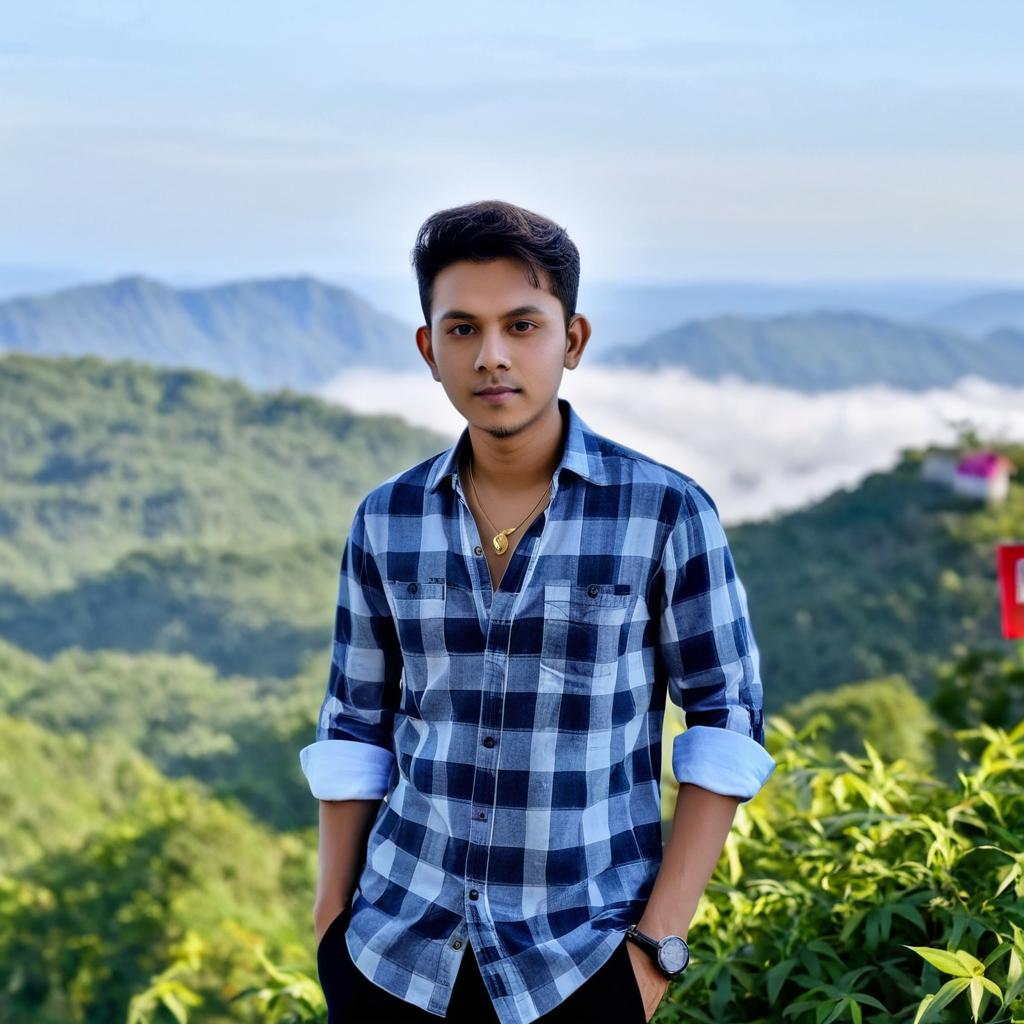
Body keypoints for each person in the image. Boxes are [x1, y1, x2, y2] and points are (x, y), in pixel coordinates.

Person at [299, 199, 777, 1024]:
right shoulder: (386, 518)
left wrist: (658, 946)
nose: (492, 355)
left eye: (522, 326)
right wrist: (331, 923)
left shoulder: (664, 513)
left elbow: (726, 721)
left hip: (583, 963)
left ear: (573, 340)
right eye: (462, 329)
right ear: (429, 349)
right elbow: (353, 723)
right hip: (392, 956)